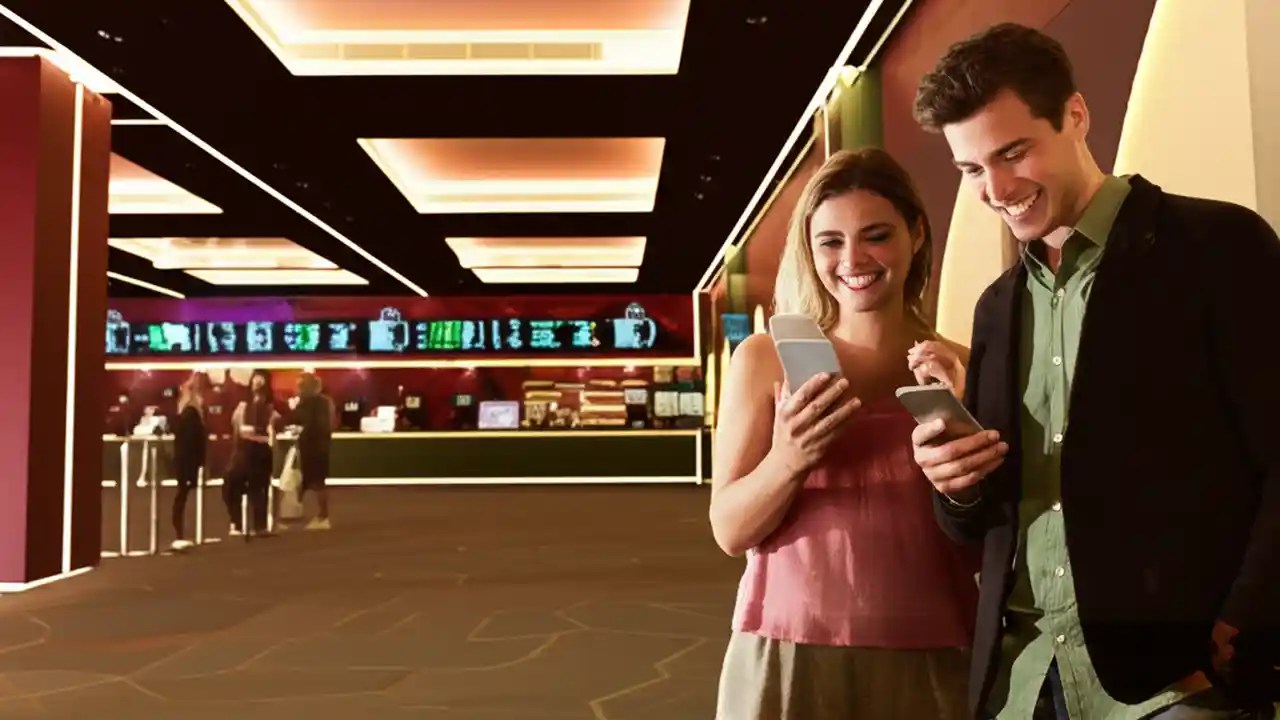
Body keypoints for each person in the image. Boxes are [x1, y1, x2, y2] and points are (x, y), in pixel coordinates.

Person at [910, 22, 1279, 720]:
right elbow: (986, 520)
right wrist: (953, 483)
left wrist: (1241, 630)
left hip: (1175, 684)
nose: (996, 189)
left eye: (1013, 152)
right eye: (971, 170)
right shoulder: (998, 308)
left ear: (1076, 115)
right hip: (1026, 678)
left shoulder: (1218, 249)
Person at [710, 147, 981, 719]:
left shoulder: (963, 367)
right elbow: (730, 530)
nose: (852, 258)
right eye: (830, 241)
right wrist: (789, 457)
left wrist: (958, 448)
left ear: (916, 234)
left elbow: (990, 541)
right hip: (787, 649)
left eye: (876, 235)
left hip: (937, 652)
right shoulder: (765, 360)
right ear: (810, 253)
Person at [226, 369, 279, 538]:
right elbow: (238, 427)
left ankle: (256, 525)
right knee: (235, 487)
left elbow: (268, 428)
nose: (257, 383)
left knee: (258, 489)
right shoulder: (244, 404)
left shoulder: (270, 406)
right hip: (246, 451)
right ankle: (242, 523)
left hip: (258, 452)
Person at [170, 372, 208, 551]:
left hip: (183, 460)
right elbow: (194, 440)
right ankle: (179, 534)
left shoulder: (184, 413)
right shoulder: (191, 414)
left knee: (182, 496)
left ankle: (179, 534)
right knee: (182, 497)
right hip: (187, 461)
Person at [294, 372, 334, 530]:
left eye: (300, 385)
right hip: (312, 447)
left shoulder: (317, 403)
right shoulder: (309, 402)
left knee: (318, 483)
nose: (297, 388)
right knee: (306, 482)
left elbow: (318, 425)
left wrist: (300, 430)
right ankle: (295, 514)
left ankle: (323, 517)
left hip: (316, 448)